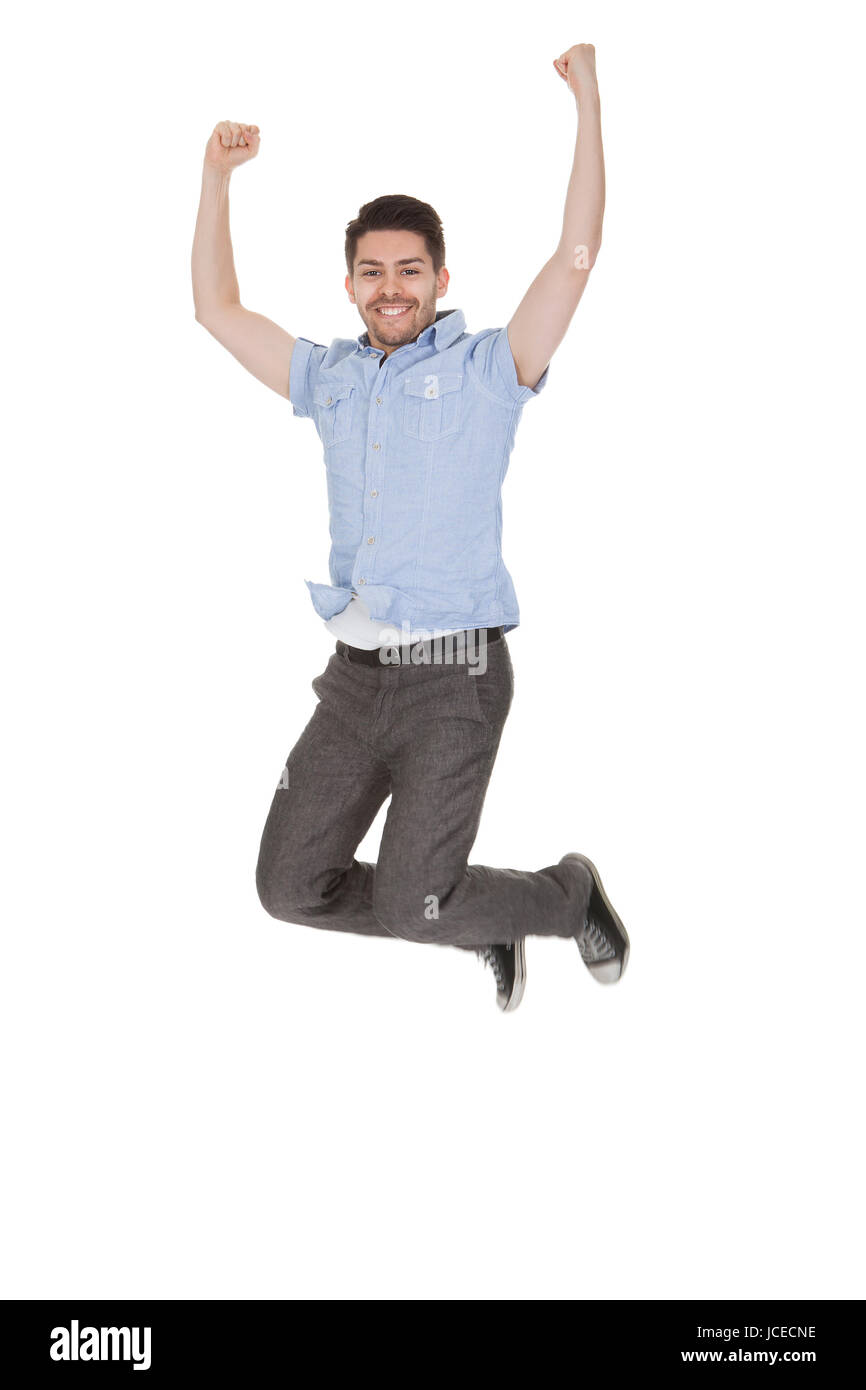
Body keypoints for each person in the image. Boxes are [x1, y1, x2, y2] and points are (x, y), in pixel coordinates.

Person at [191, 43, 629, 1012]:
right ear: (349, 283)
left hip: (454, 681)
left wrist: (586, 102)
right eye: (370, 271)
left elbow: (574, 256)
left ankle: (558, 897)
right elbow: (216, 309)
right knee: (287, 890)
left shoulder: (488, 369)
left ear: (437, 276)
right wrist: (215, 177)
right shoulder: (331, 377)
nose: (390, 286)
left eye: (408, 270)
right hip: (352, 682)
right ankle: (473, 912)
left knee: (415, 904)